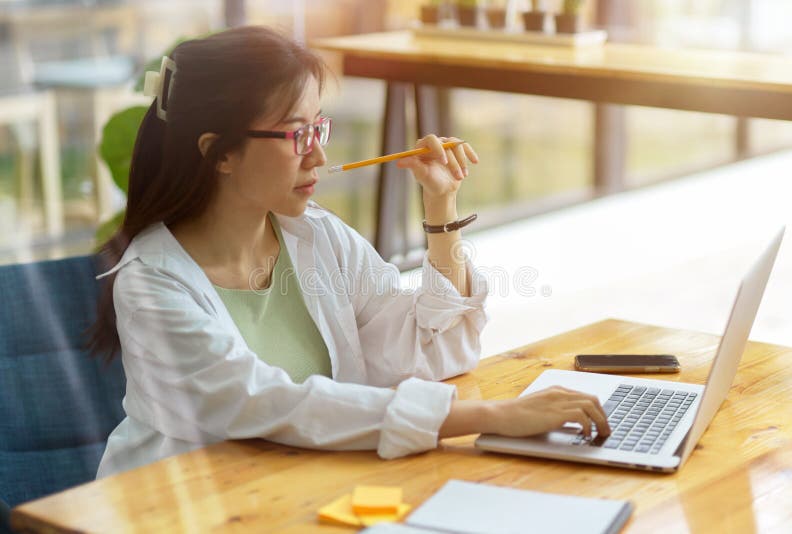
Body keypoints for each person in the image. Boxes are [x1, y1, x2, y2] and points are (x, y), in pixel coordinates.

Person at [89, 26, 609, 478]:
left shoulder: (317, 236)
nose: (318, 155)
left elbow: (436, 353)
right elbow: (267, 403)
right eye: (297, 135)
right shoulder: (151, 282)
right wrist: (492, 416)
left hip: (297, 487)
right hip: (180, 507)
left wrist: (441, 208)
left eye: (319, 127)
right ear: (218, 152)